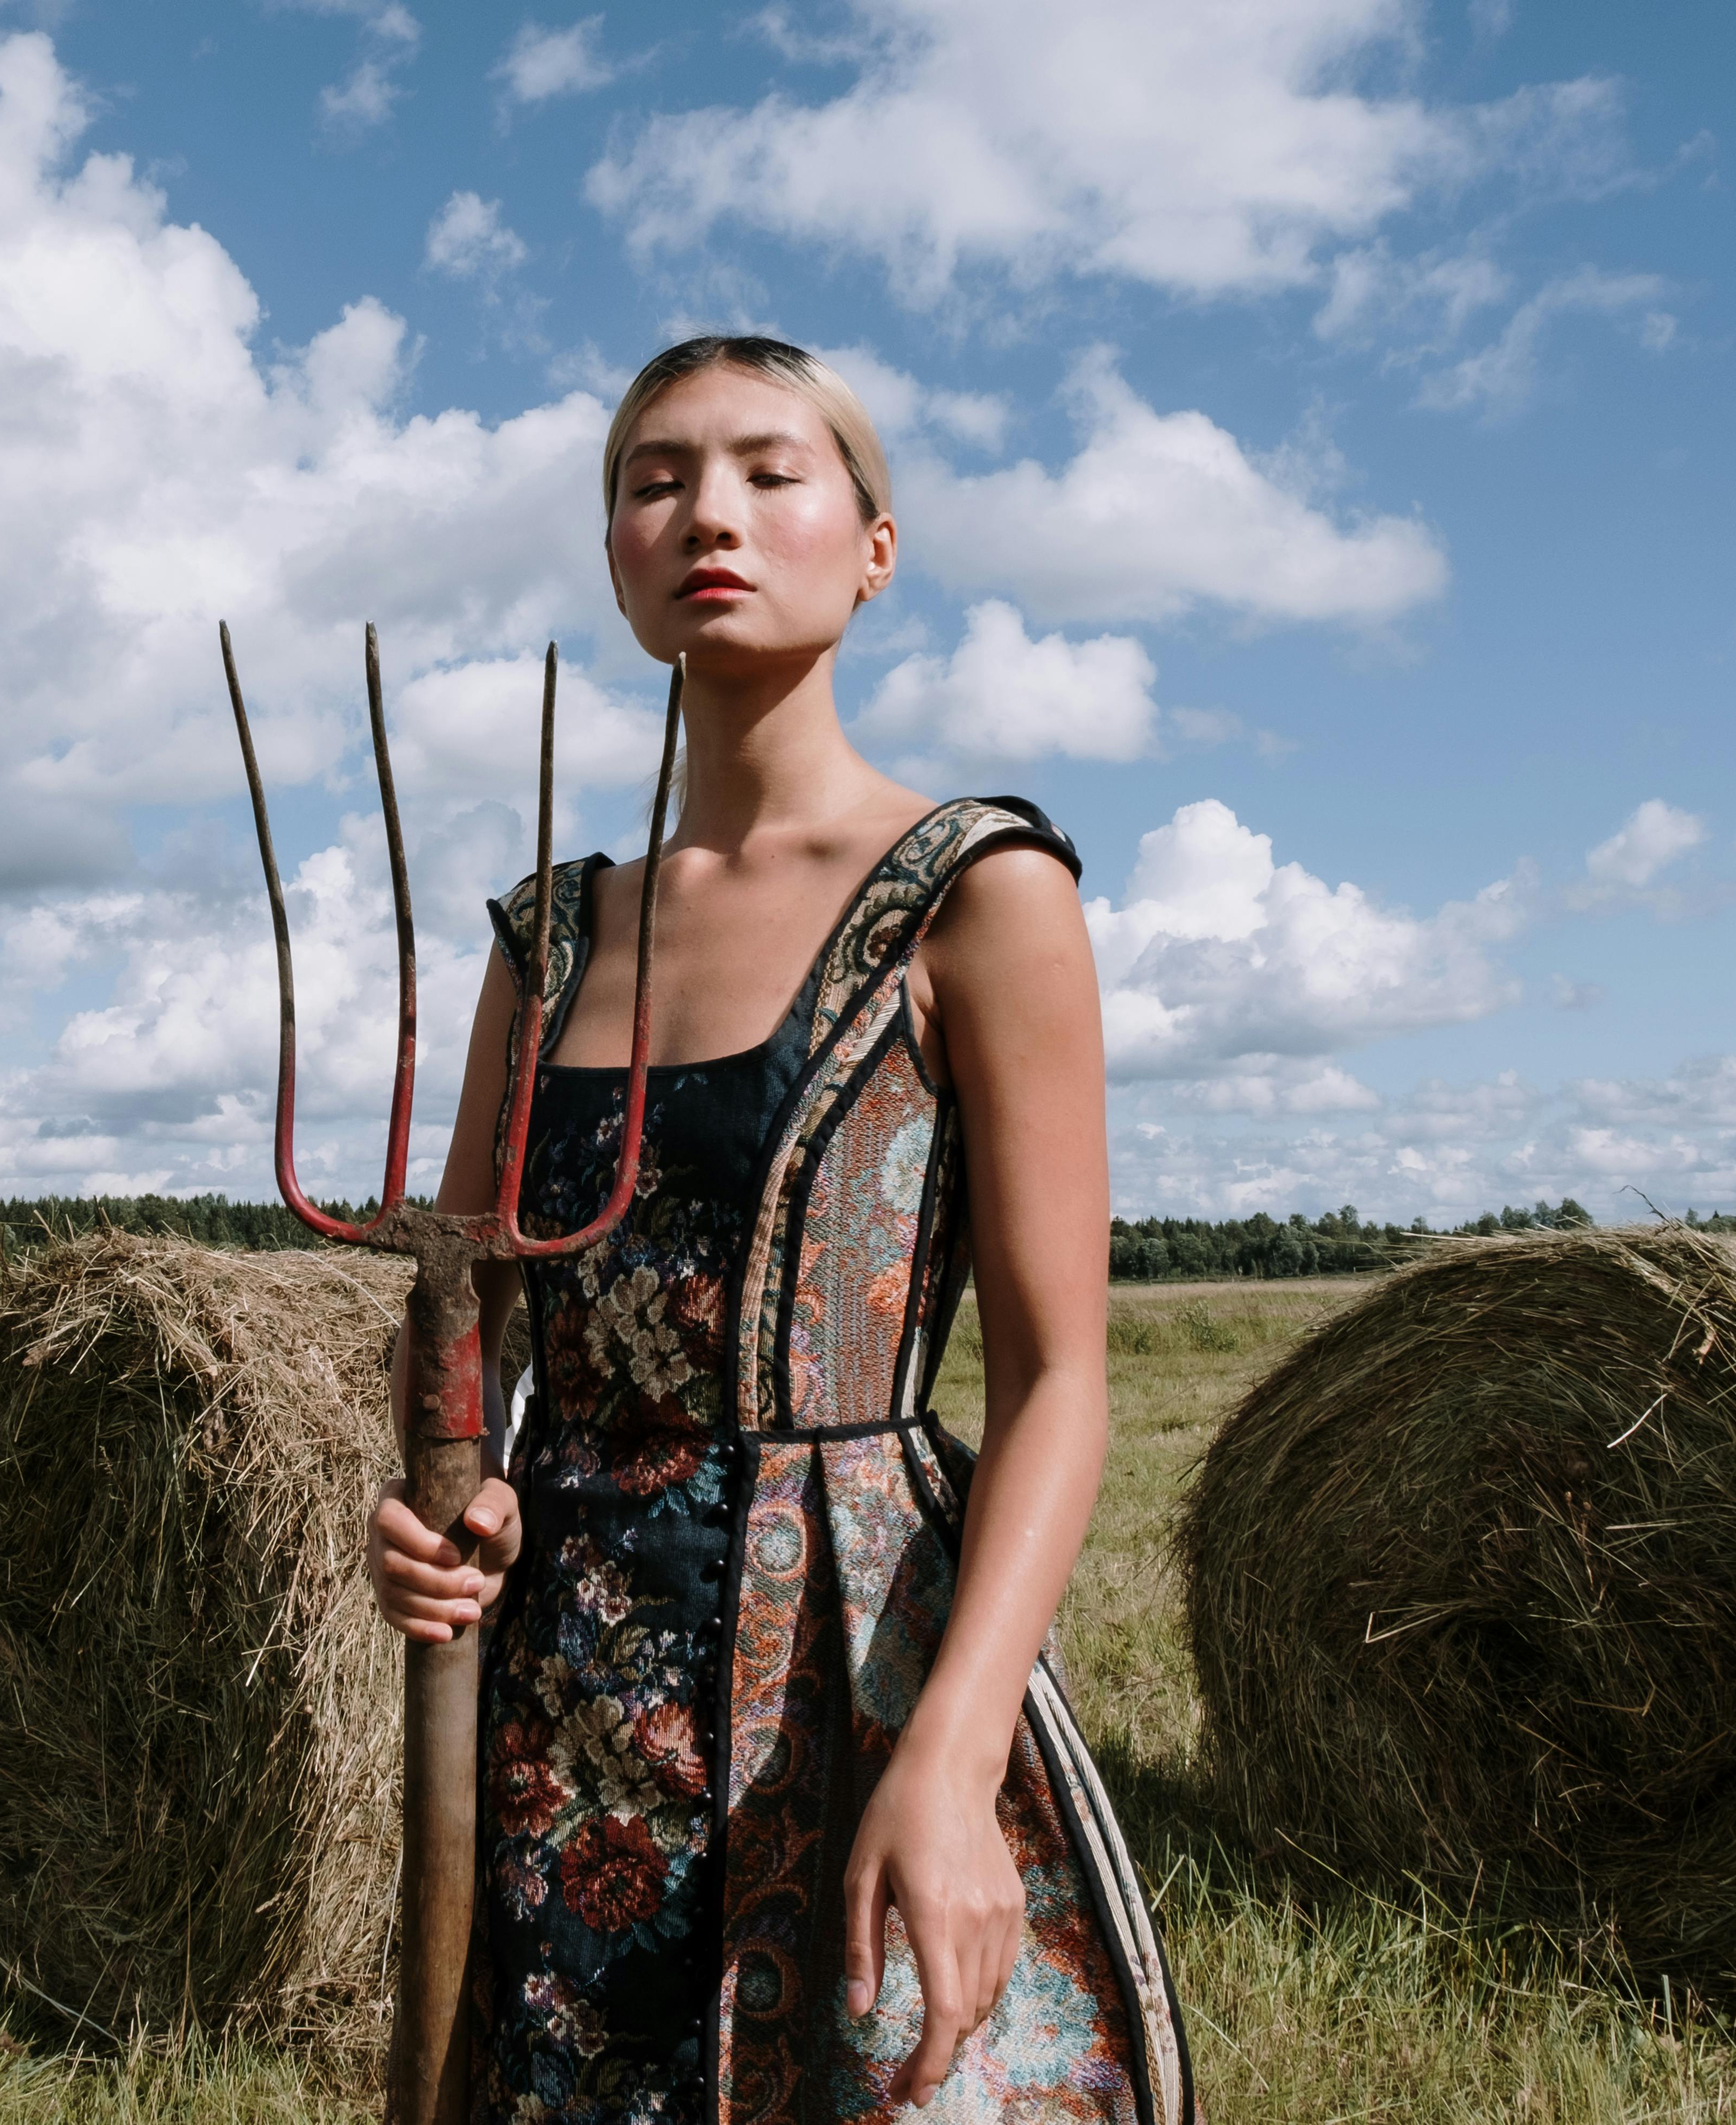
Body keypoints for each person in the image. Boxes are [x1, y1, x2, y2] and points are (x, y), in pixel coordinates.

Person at [366, 335, 1191, 2125]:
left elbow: (1059, 1378)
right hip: (567, 1679)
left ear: (873, 546)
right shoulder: (547, 937)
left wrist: (957, 1756)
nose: (707, 515)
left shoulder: (978, 888)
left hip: (860, 1647)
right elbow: (463, 1319)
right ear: (613, 552)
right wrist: (454, 1503)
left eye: (767, 470)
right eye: (654, 479)